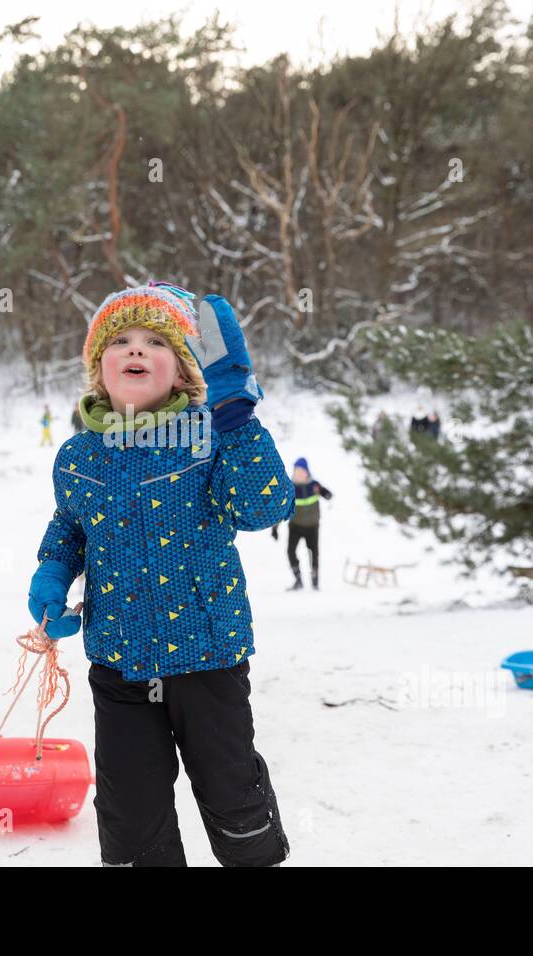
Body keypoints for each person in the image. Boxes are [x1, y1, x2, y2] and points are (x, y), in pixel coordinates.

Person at [29, 281, 294, 866]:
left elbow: (266, 507)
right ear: (100, 368)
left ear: (181, 370)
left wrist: (238, 421)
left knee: (232, 792)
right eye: (119, 341)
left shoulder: (212, 438)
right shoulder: (78, 456)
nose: (135, 350)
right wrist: (52, 570)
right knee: (129, 808)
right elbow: (72, 525)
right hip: (118, 662)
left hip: (207, 657)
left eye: (155, 341)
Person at [272, 457, 333, 590]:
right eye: (296, 471)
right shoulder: (290, 488)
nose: (299, 473)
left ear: (307, 472)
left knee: (314, 553)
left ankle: (315, 581)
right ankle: (298, 579)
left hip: (312, 526)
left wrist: (325, 493)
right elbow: (282, 509)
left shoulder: (314, 485)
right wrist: (275, 528)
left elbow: (327, 494)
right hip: (295, 526)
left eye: (301, 471)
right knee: (290, 551)